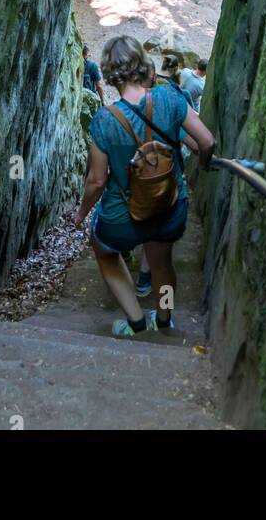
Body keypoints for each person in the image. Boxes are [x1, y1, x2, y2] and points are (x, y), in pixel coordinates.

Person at [73, 35, 215, 338]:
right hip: (170, 207)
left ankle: (136, 321)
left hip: (123, 216)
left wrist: (82, 213)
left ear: (110, 72)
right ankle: (164, 319)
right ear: (142, 64)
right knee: (161, 261)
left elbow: (97, 181)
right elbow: (206, 141)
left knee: (104, 249)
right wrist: (203, 166)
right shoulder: (171, 98)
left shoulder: (104, 121)